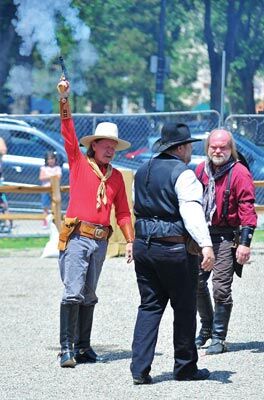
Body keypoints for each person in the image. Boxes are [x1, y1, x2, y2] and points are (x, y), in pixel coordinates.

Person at [56, 77, 134, 368]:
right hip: (77, 237)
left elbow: (124, 212)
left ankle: (84, 347)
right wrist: (64, 99)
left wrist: (129, 240)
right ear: (94, 145)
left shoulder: (115, 177)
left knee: (89, 294)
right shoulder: (78, 161)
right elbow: (67, 130)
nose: (111, 149)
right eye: (106, 144)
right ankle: (66, 349)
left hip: (100, 240)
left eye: (114, 145)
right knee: (73, 291)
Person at [130, 122, 215, 384]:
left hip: (143, 246)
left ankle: (139, 369)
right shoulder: (184, 173)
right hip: (173, 248)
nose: (191, 149)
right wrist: (206, 245)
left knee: (150, 306)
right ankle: (185, 367)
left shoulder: (141, 170)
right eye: (189, 145)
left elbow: (138, 207)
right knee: (185, 307)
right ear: (180, 148)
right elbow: (192, 212)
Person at [195, 128, 257, 355]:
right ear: (207, 148)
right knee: (195, 283)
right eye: (214, 146)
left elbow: (247, 208)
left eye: (223, 147)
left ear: (231, 149)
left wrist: (245, 243)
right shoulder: (201, 170)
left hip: (225, 237)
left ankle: (219, 337)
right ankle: (207, 329)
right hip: (202, 236)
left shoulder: (239, 172)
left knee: (220, 288)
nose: (218, 150)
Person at [39, 151, 62, 228]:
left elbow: (58, 177)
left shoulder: (57, 168)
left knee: (55, 206)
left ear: (55, 159)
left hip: (55, 190)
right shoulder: (44, 168)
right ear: (46, 160)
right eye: (49, 159)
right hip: (45, 189)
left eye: (52, 159)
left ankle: (55, 222)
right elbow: (41, 177)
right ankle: (45, 222)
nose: (51, 161)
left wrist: (49, 176)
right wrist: (52, 177)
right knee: (45, 207)